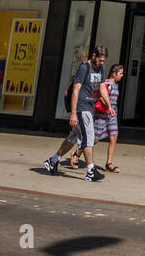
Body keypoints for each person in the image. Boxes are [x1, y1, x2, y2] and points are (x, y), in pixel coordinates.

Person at [43, 45, 108, 183]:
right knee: (88, 137)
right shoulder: (84, 68)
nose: (102, 63)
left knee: (73, 137)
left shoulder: (101, 68)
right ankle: (91, 171)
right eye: (100, 60)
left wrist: (109, 105)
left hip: (89, 108)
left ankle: (53, 161)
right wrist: (73, 113)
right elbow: (75, 91)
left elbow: (102, 88)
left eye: (104, 61)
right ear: (94, 56)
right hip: (81, 108)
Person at [93, 63, 124, 171]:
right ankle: (77, 154)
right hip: (102, 114)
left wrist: (112, 109)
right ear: (114, 74)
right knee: (95, 139)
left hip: (112, 115)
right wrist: (108, 106)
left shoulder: (116, 85)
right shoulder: (106, 84)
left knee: (114, 137)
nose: (122, 75)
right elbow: (100, 96)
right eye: (121, 73)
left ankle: (109, 163)